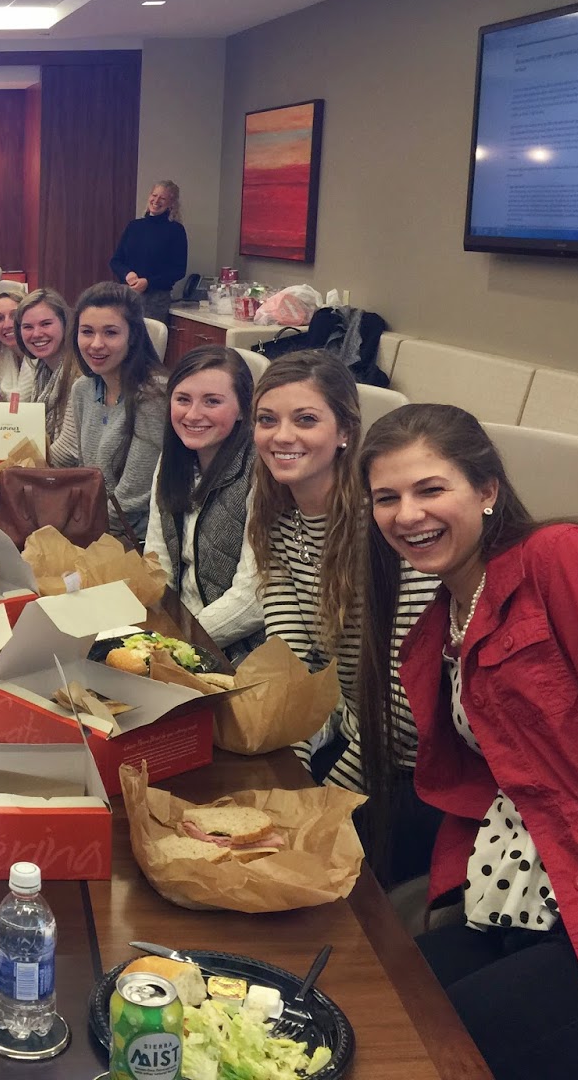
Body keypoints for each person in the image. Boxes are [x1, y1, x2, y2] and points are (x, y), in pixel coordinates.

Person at [358, 403, 578, 1076]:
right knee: (367, 1004)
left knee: (426, 1050)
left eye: (430, 489)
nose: (407, 514)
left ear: (488, 490)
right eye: (387, 498)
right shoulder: (441, 622)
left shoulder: (561, 559)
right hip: (523, 890)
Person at [248, 352, 439, 853]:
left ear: (345, 432)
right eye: (267, 420)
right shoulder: (275, 511)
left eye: (305, 419)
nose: (282, 436)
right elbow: (292, 660)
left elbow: (410, 703)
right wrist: (290, 770)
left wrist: (325, 801)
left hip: (415, 766)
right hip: (349, 731)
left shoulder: (385, 522)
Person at [144, 345, 263, 658]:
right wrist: (150, 628)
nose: (193, 414)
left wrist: (174, 642)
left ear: (242, 409)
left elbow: (252, 599)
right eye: (183, 399)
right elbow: (157, 562)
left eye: (212, 401)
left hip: (241, 650)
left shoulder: (260, 471)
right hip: (179, 633)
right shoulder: (173, 458)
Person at [48, 283, 168, 542]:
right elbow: (85, 473)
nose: (96, 344)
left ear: (133, 336)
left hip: (135, 542)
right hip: (92, 528)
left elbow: (133, 498)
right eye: (87, 332)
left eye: (110, 333)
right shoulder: (83, 389)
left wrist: (71, 530)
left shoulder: (153, 396)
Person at [109, 180, 188, 324]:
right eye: (154, 195)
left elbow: (178, 270)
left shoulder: (176, 231)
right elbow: (116, 261)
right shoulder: (134, 227)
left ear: (171, 204)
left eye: (162, 198)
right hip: (126, 296)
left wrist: (148, 282)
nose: (156, 201)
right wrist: (127, 274)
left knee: (148, 343)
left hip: (155, 300)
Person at [14, 288, 80, 459]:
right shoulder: (41, 368)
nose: (36, 334)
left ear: (65, 324)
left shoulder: (80, 373)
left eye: (46, 324)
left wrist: (19, 467)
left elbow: (69, 451)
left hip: (70, 475)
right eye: (28, 327)